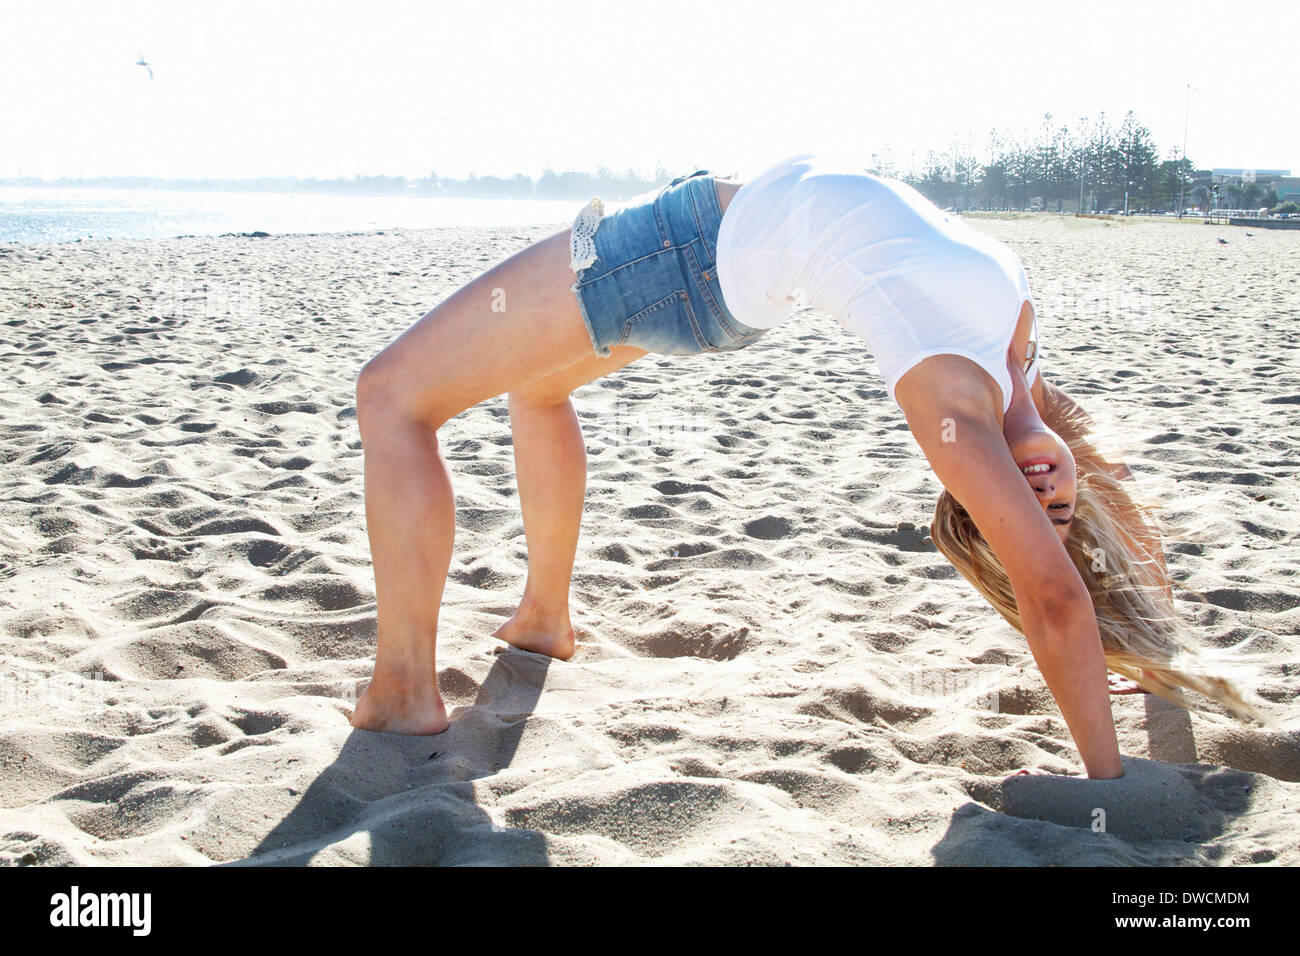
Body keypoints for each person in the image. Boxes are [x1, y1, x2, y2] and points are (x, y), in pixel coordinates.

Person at [350, 154, 1260, 779]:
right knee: (538, 389)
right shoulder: (1018, 368)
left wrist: (1110, 782)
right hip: (709, 266)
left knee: (391, 395)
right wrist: (1153, 659)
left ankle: (403, 690)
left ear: (969, 480)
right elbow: (1112, 504)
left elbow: (1056, 598)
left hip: (674, 259)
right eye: (1054, 501)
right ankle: (545, 618)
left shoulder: (952, 407)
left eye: (1015, 505)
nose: (1046, 489)